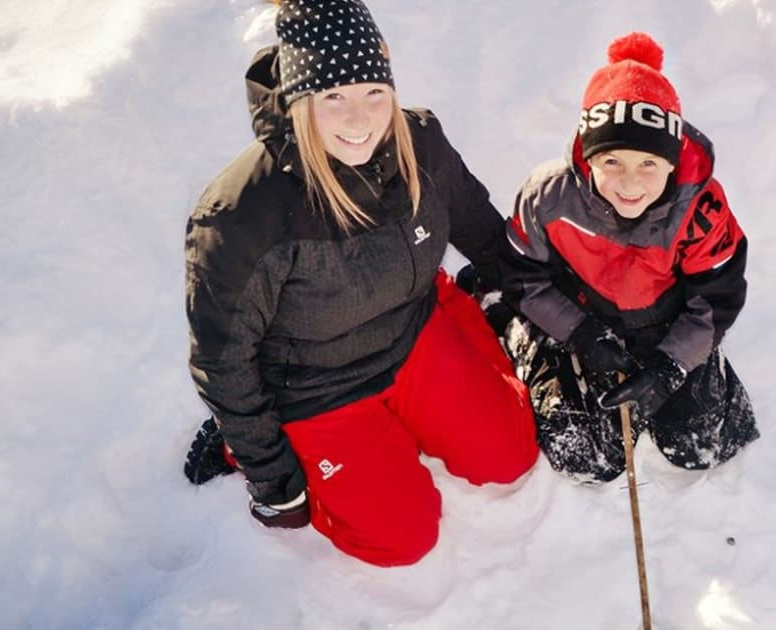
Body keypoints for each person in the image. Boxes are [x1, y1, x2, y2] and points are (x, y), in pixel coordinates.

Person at [180, 0, 538, 567]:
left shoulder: (419, 141)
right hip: (315, 385)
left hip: (411, 330)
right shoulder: (240, 213)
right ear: (300, 99)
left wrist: (557, 309)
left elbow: (486, 235)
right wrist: (272, 477)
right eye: (333, 97)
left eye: (374, 91)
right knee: (403, 541)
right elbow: (223, 361)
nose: (359, 119)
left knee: (509, 458)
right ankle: (236, 444)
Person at [498, 32, 759, 484]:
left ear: (672, 161)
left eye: (648, 164)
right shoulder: (547, 196)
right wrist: (580, 333)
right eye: (612, 162)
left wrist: (671, 364)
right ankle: (529, 342)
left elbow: (717, 299)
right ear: (588, 157)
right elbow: (523, 280)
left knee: (702, 445)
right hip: (583, 314)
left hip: (664, 319)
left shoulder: (700, 207)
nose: (630, 183)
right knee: (587, 458)